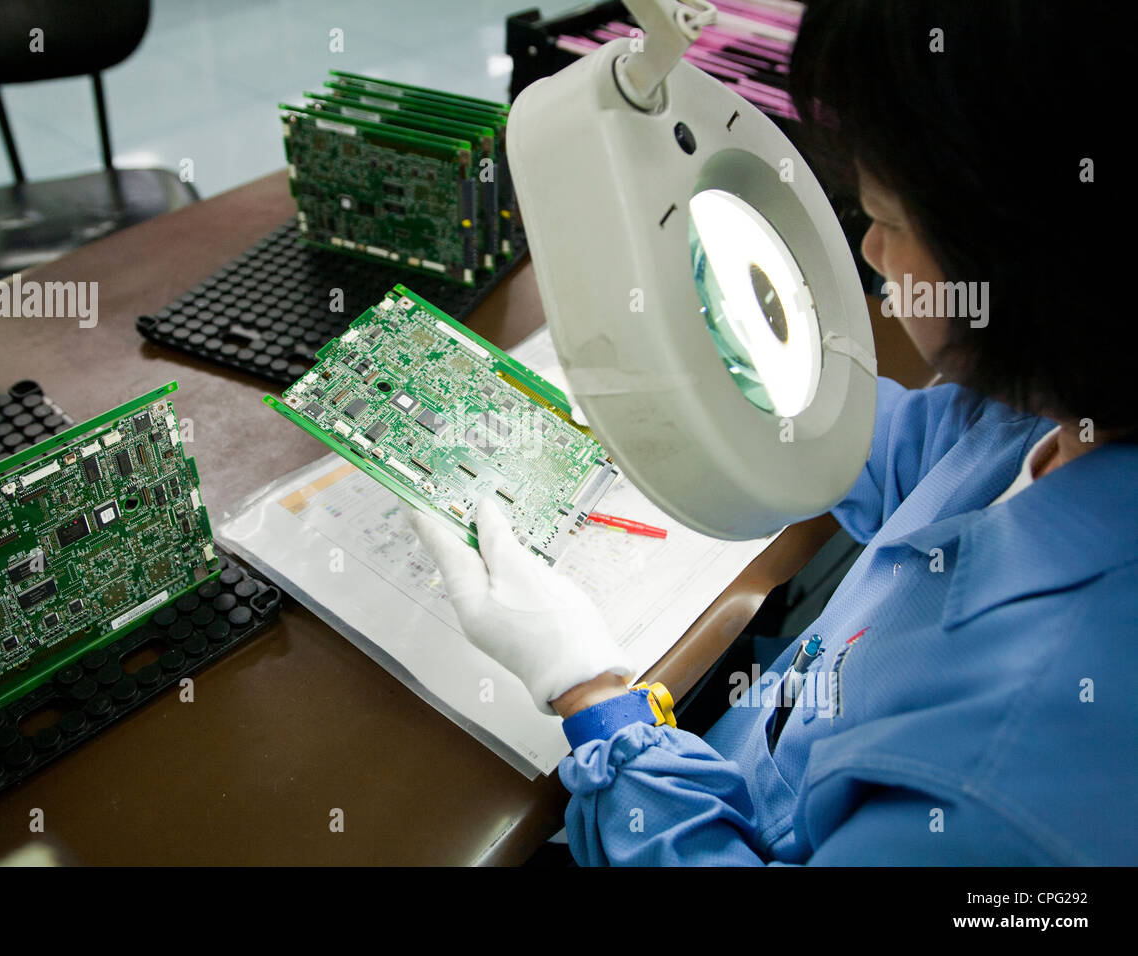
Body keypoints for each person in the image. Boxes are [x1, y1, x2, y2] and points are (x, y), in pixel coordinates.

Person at [411, 0, 1131, 865]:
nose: (867, 251)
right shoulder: (1069, 405)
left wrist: (596, 701)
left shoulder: (997, 792)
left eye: (887, 219)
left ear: (1022, 266)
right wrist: (687, 382)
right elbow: (923, 456)